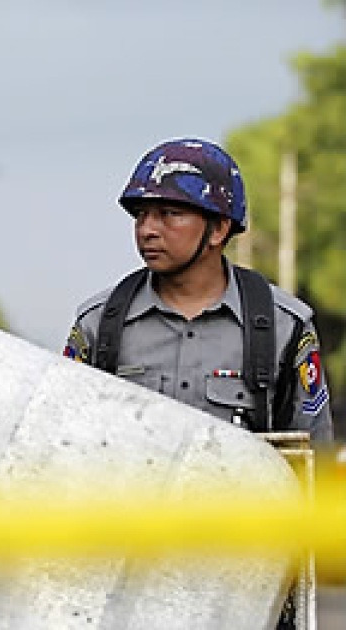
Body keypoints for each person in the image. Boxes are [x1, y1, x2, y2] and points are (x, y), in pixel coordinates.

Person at [63, 138, 333, 629]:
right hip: (123, 595)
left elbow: (311, 468)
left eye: (169, 214)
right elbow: (61, 456)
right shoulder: (100, 324)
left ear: (219, 228)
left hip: (243, 595)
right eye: (141, 215)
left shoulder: (283, 326)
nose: (147, 230)